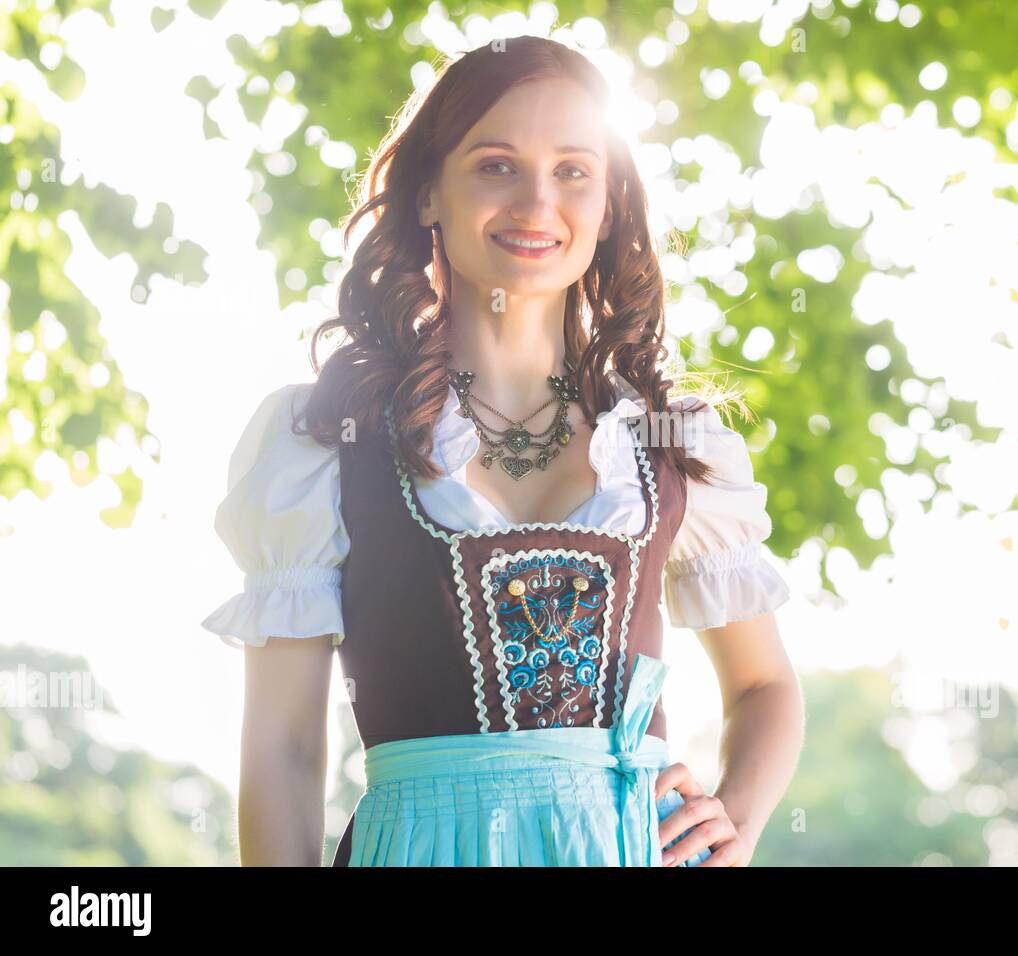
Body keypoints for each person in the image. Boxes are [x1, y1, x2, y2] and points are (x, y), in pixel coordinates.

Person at [201, 35, 803, 867]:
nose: (536, 202)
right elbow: (283, 746)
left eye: (572, 171)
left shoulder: (671, 443)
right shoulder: (326, 442)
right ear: (426, 197)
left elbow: (765, 686)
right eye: (495, 165)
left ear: (607, 204)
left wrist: (732, 821)